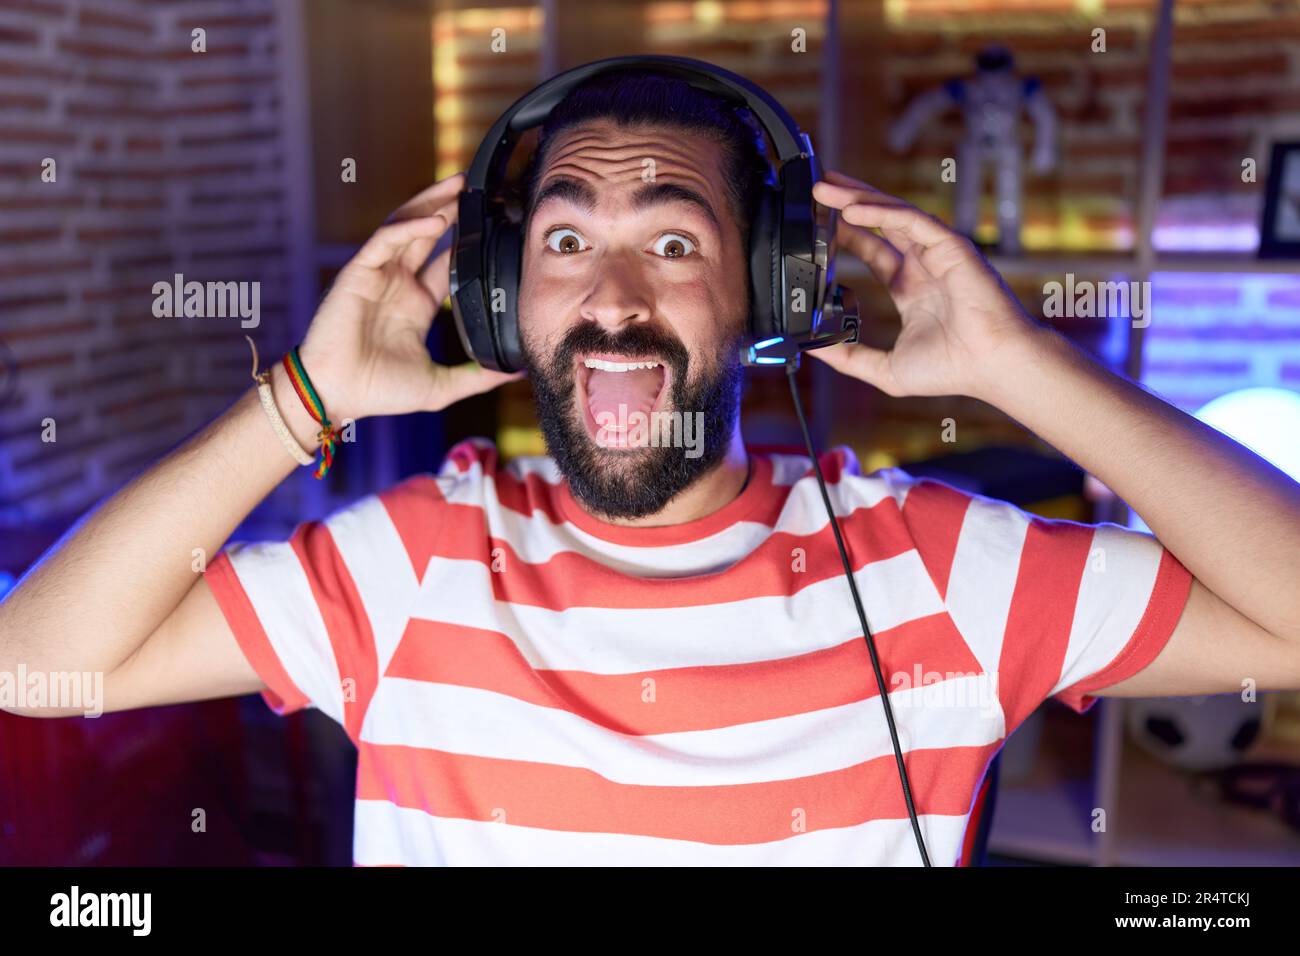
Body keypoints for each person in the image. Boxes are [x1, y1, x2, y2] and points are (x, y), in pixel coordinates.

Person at [3, 71, 1299, 866]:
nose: (611, 298)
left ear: (775, 295)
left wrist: (1021, 367)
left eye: (675, 245)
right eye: (565, 239)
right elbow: (32, 666)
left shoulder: (939, 567)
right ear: (512, 299)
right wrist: (306, 398)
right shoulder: (405, 559)